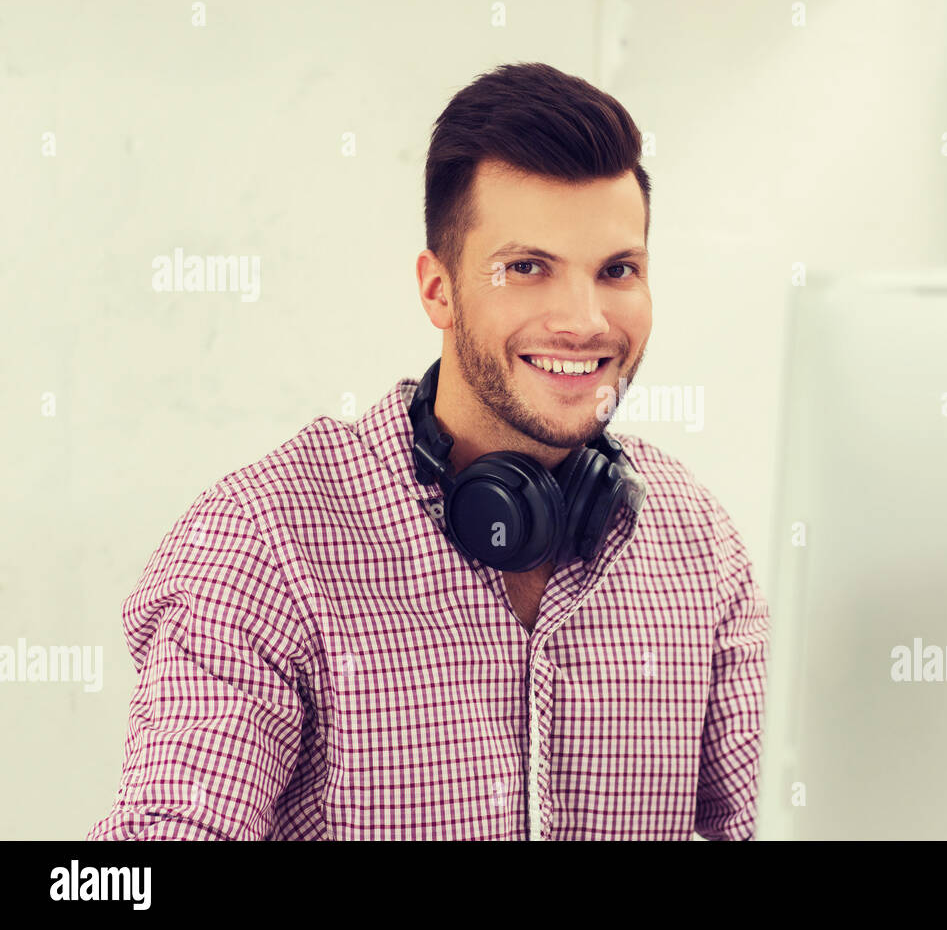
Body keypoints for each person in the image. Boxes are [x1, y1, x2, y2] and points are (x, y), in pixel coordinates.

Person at [86, 61, 769, 841]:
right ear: (437, 290)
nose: (584, 321)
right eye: (526, 268)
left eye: (617, 271)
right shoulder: (261, 545)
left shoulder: (698, 544)